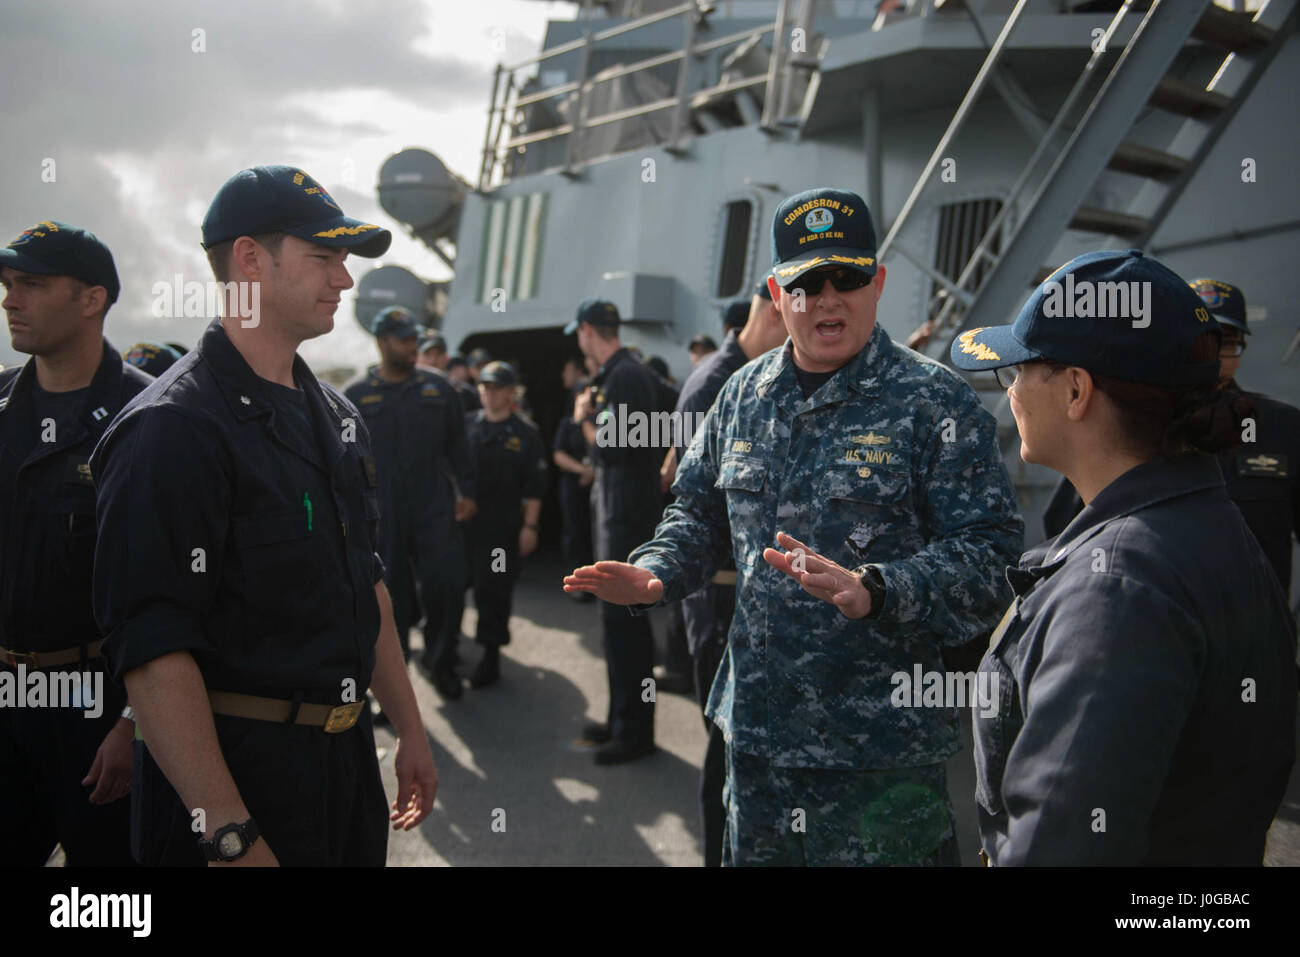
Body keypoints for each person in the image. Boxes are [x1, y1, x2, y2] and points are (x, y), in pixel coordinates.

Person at [567, 187, 1024, 863]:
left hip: (881, 758)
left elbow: (991, 560)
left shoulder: (936, 402)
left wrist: (880, 588)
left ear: (879, 283)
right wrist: (657, 570)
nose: (829, 297)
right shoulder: (741, 397)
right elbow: (696, 512)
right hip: (759, 746)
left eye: (849, 277)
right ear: (779, 294)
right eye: (808, 282)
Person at [91, 165, 437, 866]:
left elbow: (364, 586)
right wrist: (228, 831)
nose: (345, 280)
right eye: (323, 257)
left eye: (344, 262)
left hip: (341, 768)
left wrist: (411, 727)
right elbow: (154, 652)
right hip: (238, 779)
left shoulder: (336, 417)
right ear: (249, 259)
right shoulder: (174, 428)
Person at [950, 249, 1297, 865]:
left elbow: (1061, 845)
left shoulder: (1114, 592)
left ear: (1077, 390)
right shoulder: (1210, 525)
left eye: (1019, 372)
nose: (1012, 394)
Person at [0, 220, 151, 866]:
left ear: (92, 300)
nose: (10, 299)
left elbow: (176, 592)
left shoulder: (148, 419)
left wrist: (133, 725)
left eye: (31, 284)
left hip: (99, 704)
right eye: (7, 285)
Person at [1040, 278, 1300, 602]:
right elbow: (1064, 529)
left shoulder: (1282, 427)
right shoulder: (1131, 423)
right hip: (1147, 621)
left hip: (1254, 633)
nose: (1215, 357)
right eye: (1201, 344)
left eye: (1227, 342)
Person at [664, 271, 788, 866]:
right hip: (718, 598)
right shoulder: (720, 381)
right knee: (725, 744)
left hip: (741, 598)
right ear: (771, 310)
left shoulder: (760, 378)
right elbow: (678, 477)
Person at [344, 307, 477, 701]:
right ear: (382, 342)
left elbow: (459, 447)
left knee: (447, 585)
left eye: (414, 338)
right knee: (390, 600)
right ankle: (393, 691)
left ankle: (442, 662)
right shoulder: (354, 395)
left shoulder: (439, 389)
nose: (412, 346)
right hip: (382, 512)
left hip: (433, 504)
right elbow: (344, 462)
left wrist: (467, 492)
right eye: (403, 339)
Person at [567, 298, 665, 765]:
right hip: (622, 516)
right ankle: (622, 718)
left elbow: (612, 451)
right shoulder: (625, 374)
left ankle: (634, 732)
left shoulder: (623, 376)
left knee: (625, 629)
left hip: (625, 522)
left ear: (588, 330)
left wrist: (584, 418)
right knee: (618, 628)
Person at [462, 362, 546, 688]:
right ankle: (447, 648)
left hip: (502, 529)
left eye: (496, 387)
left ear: (512, 392)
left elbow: (535, 486)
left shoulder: (525, 433)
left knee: (492, 590)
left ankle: (491, 654)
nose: (489, 392)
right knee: (451, 585)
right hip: (464, 525)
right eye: (484, 386)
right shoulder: (467, 425)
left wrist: (531, 527)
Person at [553, 356, 594, 598]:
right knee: (574, 533)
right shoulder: (567, 423)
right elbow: (558, 454)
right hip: (573, 484)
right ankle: (577, 585)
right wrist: (583, 470)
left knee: (593, 534)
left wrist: (594, 472)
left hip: (595, 485)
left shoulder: (603, 421)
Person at [419, 330, 480, 412]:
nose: (432, 360)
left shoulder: (464, 394)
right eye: (427, 354)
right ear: (417, 357)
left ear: (446, 357)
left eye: (438, 354)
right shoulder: (404, 390)